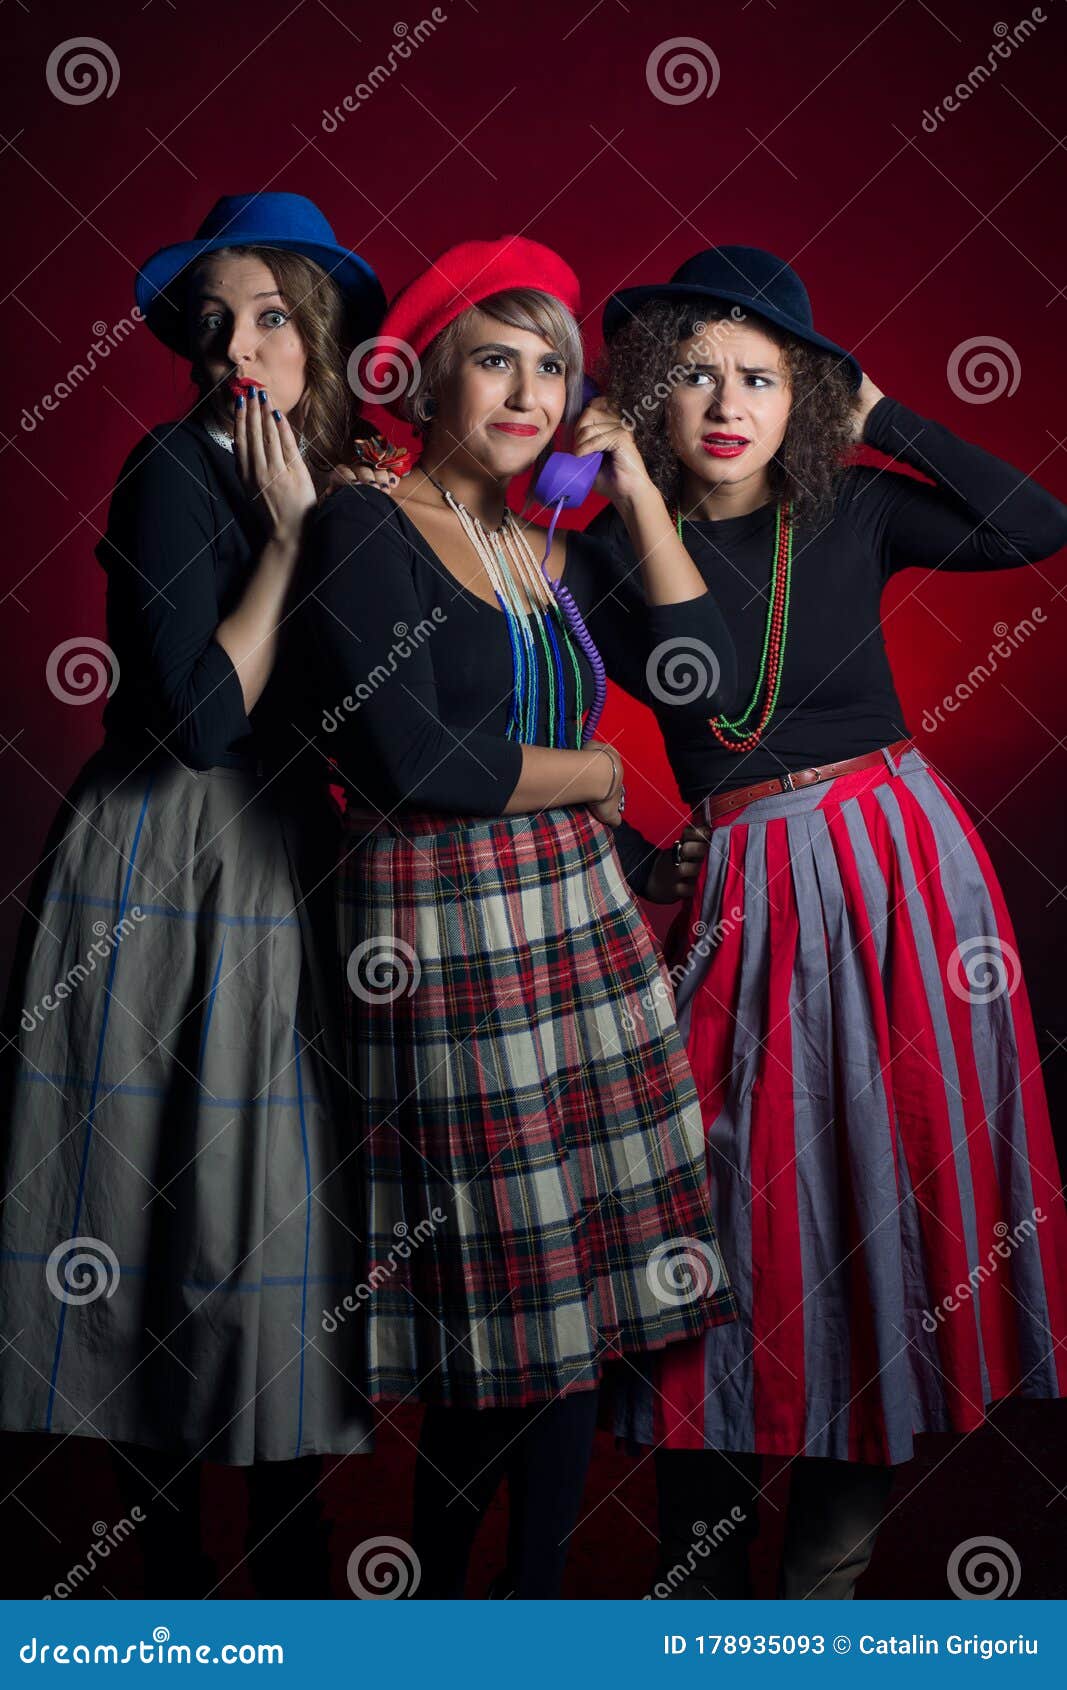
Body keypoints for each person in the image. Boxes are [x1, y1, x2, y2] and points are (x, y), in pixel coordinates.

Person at [589, 244, 1067, 1598]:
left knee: (880, 1204)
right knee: (730, 1222)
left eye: (763, 377)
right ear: (647, 390)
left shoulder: (850, 507)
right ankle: (700, 1593)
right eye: (696, 375)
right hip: (741, 889)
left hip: (900, 871)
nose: (728, 404)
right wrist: (636, 853)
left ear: (806, 397)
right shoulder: (604, 548)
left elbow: (1036, 522)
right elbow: (659, 690)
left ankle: (825, 1602)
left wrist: (883, 414)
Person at [302, 236, 740, 1599]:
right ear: (426, 375)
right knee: (507, 1308)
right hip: (441, 931)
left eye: (554, 369)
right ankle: (445, 1597)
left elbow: (704, 669)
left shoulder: (544, 540)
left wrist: (631, 487)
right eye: (495, 360)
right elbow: (406, 758)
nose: (530, 393)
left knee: (582, 1303)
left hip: (578, 918)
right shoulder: (364, 526)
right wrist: (601, 776)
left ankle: (529, 1603)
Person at [0, 193, 386, 1597]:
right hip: (165, 860)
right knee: (150, 1203)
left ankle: (290, 1561)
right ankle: (163, 1569)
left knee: (276, 1207)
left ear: (318, 334)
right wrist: (286, 548)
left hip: (289, 857)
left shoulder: (350, 480)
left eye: (271, 319)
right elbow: (206, 720)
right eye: (215, 323)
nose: (239, 349)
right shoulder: (172, 468)